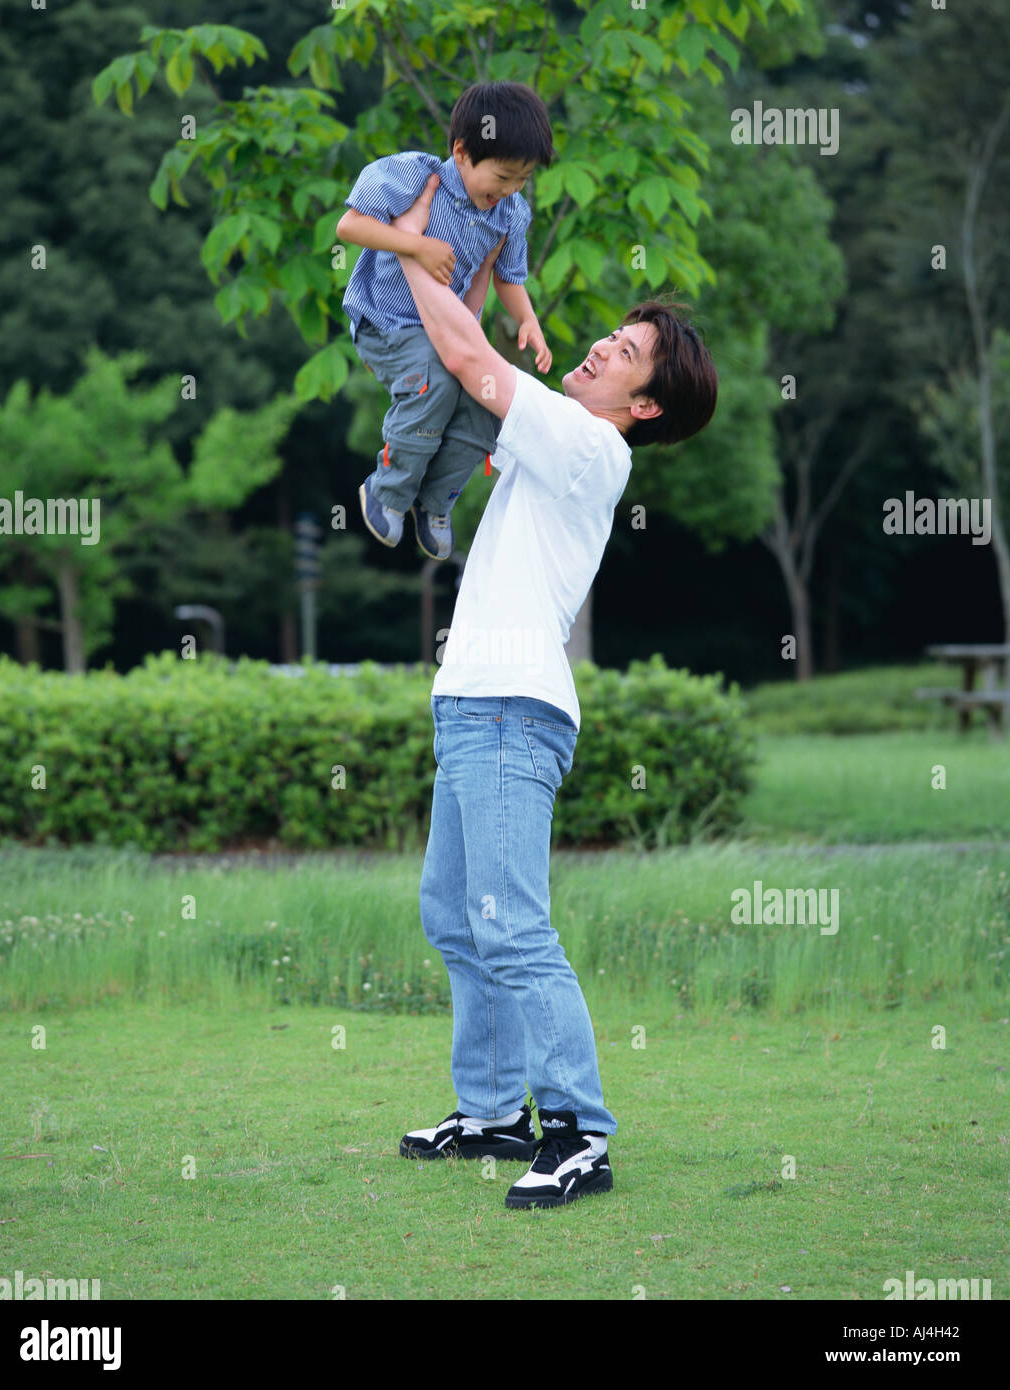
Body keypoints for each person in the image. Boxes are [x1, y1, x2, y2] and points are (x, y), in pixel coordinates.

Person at [388, 174, 720, 1209]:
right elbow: (480, 357)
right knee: (454, 911)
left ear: (644, 405)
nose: (596, 350)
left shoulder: (585, 446)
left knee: (509, 922)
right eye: (607, 338)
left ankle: (578, 1129)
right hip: (472, 701)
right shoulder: (551, 444)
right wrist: (480, 264)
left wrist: (409, 248)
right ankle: (491, 1111)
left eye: (621, 356)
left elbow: (463, 355)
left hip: (509, 711)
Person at [337, 82, 555, 562]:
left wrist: (528, 319)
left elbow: (508, 277)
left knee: (492, 402)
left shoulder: (511, 213)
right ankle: (388, 490)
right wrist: (416, 244)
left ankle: (435, 502)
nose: (509, 190)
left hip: (448, 331)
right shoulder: (413, 177)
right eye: (502, 176)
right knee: (433, 381)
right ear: (461, 152)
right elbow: (350, 226)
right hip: (387, 320)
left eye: (522, 179)